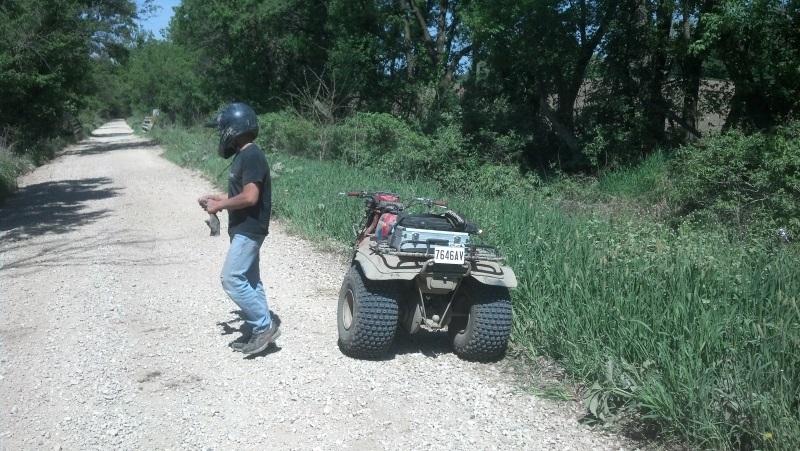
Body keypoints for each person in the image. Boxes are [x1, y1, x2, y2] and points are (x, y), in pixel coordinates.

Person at [198, 102, 280, 354]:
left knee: (232, 278)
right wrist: (217, 199)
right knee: (251, 282)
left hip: (249, 228)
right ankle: (261, 329)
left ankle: (264, 326)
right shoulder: (244, 155)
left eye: (221, 128)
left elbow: (250, 197)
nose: (220, 133)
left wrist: (220, 204)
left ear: (232, 128)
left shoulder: (252, 155)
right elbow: (239, 193)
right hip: (245, 227)